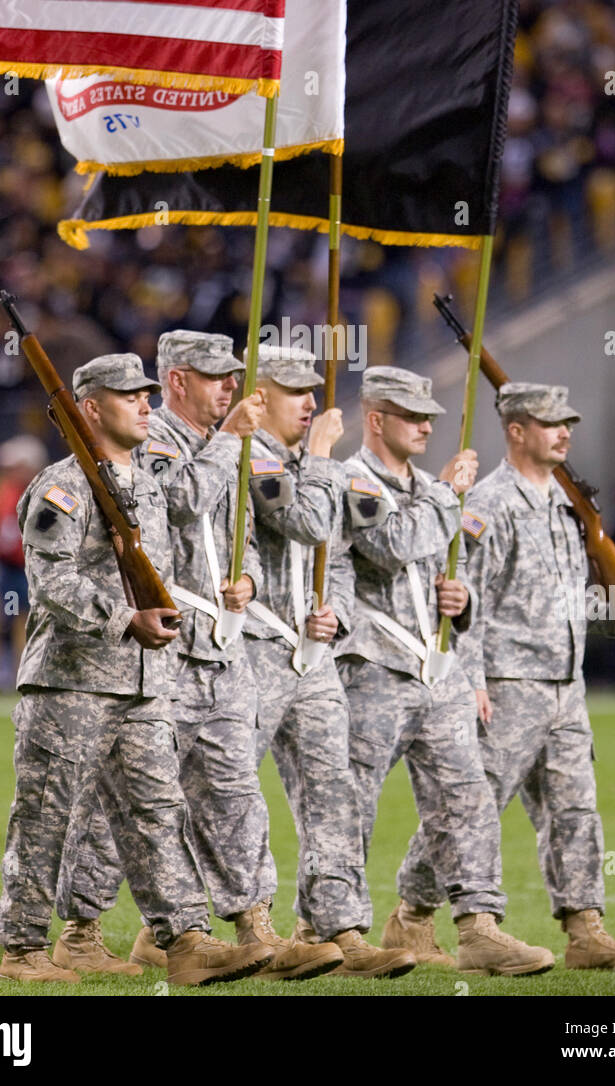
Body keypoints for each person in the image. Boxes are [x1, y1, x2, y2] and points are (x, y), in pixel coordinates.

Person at [59, 332, 333, 980]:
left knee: (237, 792)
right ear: (176, 381)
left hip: (221, 648)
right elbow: (178, 504)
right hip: (163, 650)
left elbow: (248, 539)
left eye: (234, 377)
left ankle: (255, 926)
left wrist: (252, 583)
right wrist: (236, 441)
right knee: (131, 798)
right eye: (215, 378)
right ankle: (83, 929)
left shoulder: (228, 449)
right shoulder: (150, 444)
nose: (231, 389)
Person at [0, 353, 272, 987]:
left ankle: (186, 941)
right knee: (46, 813)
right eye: (129, 396)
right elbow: (50, 583)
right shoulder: (61, 486)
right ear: (89, 408)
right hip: (73, 682)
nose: (146, 404)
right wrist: (125, 618)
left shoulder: (146, 485)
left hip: (146, 685)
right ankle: (23, 950)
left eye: (149, 394)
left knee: (158, 811)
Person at [398, 382, 615, 971]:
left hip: (567, 686)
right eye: (549, 423)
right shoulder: (488, 505)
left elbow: (568, 605)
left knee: (575, 810)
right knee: (470, 809)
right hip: (509, 686)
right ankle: (410, 916)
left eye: (567, 421)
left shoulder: (568, 509)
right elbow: (467, 603)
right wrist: (471, 680)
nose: (564, 431)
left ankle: (585, 930)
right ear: (516, 431)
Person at [338, 367, 554, 975]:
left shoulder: (432, 490)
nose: (427, 424)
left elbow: (438, 576)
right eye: (411, 415)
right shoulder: (353, 481)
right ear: (376, 419)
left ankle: (479, 927)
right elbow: (391, 545)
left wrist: (460, 605)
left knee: (467, 797)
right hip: (373, 669)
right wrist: (446, 493)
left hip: (439, 670)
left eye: (430, 414)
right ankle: (332, 927)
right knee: (351, 803)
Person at [244, 344, 416, 978]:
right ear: (258, 396)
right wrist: (320, 458)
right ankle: (232, 930)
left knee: (333, 790)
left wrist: (335, 613)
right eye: (295, 390)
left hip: (312, 654)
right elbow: (310, 521)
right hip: (250, 650)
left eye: (314, 388)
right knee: (230, 793)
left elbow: (336, 556)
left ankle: (338, 928)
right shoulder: (248, 459)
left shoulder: (314, 465)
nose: (313, 401)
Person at [0, 436, 48, 691]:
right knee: (10, 617)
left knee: (36, 620)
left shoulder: (41, 492)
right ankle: (7, 671)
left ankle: (35, 670)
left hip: (34, 571)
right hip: (12, 572)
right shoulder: (6, 493)